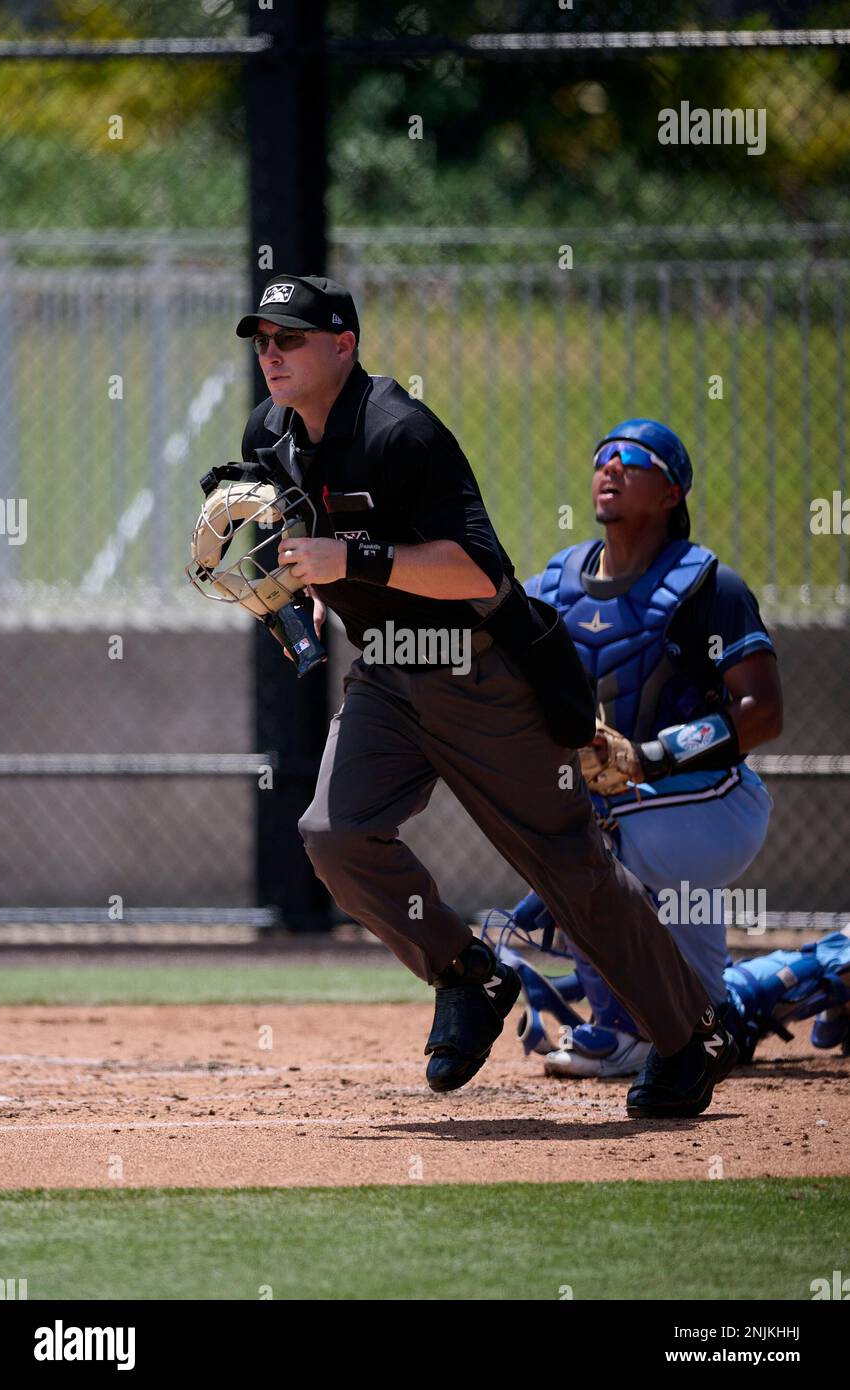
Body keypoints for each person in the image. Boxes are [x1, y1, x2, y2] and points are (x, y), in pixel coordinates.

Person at [236, 276, 737, 1117]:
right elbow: (298, 546)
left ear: (343, 346)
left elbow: (480, 574)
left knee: (569, 869)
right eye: (262, 340)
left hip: (479, 671)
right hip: (389, 672)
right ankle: (469, 972)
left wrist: (349, 564)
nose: (272, 354)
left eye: (290, 337)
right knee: (333, 832)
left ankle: (691, 1037)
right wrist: (301, 590)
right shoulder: (270, 433)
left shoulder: (400, 431)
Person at [509, 418, 784, 1080]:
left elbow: (764, 711)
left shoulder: (708, 585)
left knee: (581, 840)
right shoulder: (554, 583)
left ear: (672, 492)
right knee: (705, 1007)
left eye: (632, 459)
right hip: (626, 808)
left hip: (712, 801)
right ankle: (781, 986)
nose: (610, 467)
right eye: (602, 456)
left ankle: (628, 1027)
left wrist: (649, 756)